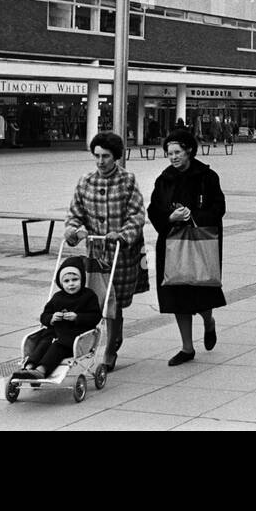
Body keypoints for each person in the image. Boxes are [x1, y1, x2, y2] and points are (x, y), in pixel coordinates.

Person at [64, 132, 147, 372]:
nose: (100, 162)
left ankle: (112, 344)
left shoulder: (127, 180)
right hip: (96, 251)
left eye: (106, 157)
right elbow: (75, 212)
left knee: (114, 301)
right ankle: (85, 341)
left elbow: (137, 214)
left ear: (116, 157)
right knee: (95, 298)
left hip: (121, 251)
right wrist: (72, 230)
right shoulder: (86, 181)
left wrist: (123, 234)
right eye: (97, 156)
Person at [148, 128, 227, 366]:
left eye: (177, 152)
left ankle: (208, 321)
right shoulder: (164, 179)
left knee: (201, 290)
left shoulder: (207, 177)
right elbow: (153, 209)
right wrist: (170, 217)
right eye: (169, 153)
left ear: (189, 151)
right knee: (176, 294)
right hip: (172, 243)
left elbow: (219, 208)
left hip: (200, 242)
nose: (172, 157)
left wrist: (195, 215)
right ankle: (187, 347)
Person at [13, 256, 102, 380]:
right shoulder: (58, 297)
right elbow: (44, 316)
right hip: (56, 332)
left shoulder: (88, 296)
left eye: (75, 279)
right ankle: (29, 366)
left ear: (82, 279)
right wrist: (51, 318)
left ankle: (41, 370)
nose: (71, 284)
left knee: (57, 346)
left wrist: (78, 317)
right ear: (61, 283)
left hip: (76, 336)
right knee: (44, 340)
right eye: (66, 281)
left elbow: (96, 316)